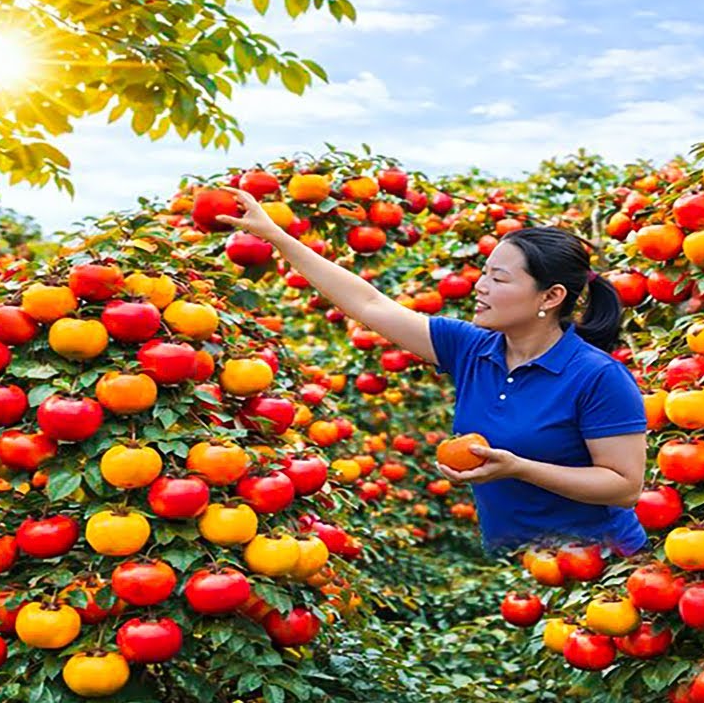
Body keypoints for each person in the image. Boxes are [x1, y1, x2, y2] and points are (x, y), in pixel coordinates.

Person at [214, 188, 649, 556]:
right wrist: (275, 235)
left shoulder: (597, 376)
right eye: (483, 274)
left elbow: (623, 487)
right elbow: (369, 304)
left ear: (550, 296)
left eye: (498, 279)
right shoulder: (472, 348)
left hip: (598, 566)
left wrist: (518, 467)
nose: (480, 286)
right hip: (515, 562)